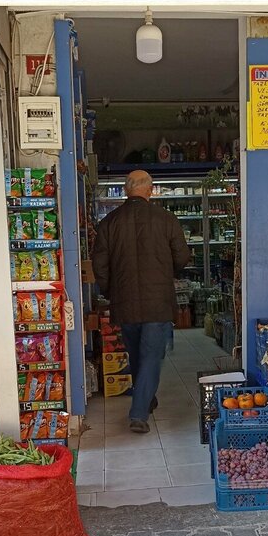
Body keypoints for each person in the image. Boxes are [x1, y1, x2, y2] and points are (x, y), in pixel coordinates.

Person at [92, 169, 191, 433]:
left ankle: (147, 399)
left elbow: (99, 265)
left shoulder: (109, 223)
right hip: (157, 301)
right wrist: (166, 271)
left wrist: (111, 291)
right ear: (149, 190)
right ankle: (138, 413)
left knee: (136, 354)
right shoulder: (166, 219)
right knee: (150, 356)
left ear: (127, 190)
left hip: (124, 301)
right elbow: (182, 257)